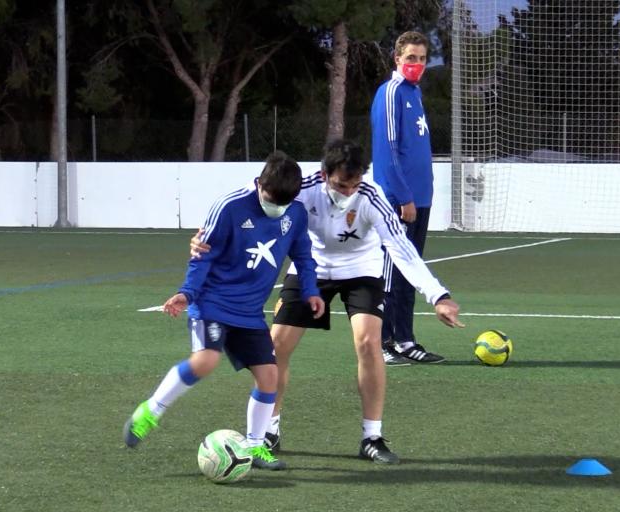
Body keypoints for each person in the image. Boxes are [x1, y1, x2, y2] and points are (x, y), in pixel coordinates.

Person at [192, 140, 464, 464]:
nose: (348, 192)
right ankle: (269, 431)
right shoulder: (302, 187)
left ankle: (372, 437)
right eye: (340, 184)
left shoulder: (372, 197)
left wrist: (438, 295)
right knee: (276, 346)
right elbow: (256, 199)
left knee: (368, 342)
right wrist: (207, 235)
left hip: (362, 270)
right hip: (311, 268)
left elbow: (400, 247)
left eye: (354, 184)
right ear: (324, 175)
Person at [123, 151, 325, 471]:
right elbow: (202, 253)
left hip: (249, 310)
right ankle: (151, 411)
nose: (278, 209)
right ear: (260, 184)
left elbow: (303, 254)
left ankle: (256, 447)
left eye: (285, 203)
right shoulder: (229, 207)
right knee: (206, 360)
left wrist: (312, 290)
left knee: (269, 376)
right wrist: (187, 293)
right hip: (213, 301)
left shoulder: (296, 213)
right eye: (273, 200)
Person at [370, 30, 442, 365]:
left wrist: (420, 195)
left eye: (422, 58)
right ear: (397, 58)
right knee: (390, 271)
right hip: (398, 202)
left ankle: (406, 339)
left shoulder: (415, 94)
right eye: (410, 57)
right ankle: (383, 343)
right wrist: (402, 196)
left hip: (419, 199)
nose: (416, 64)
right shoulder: (391, 92)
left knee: (410, 271)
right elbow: (386, 152)